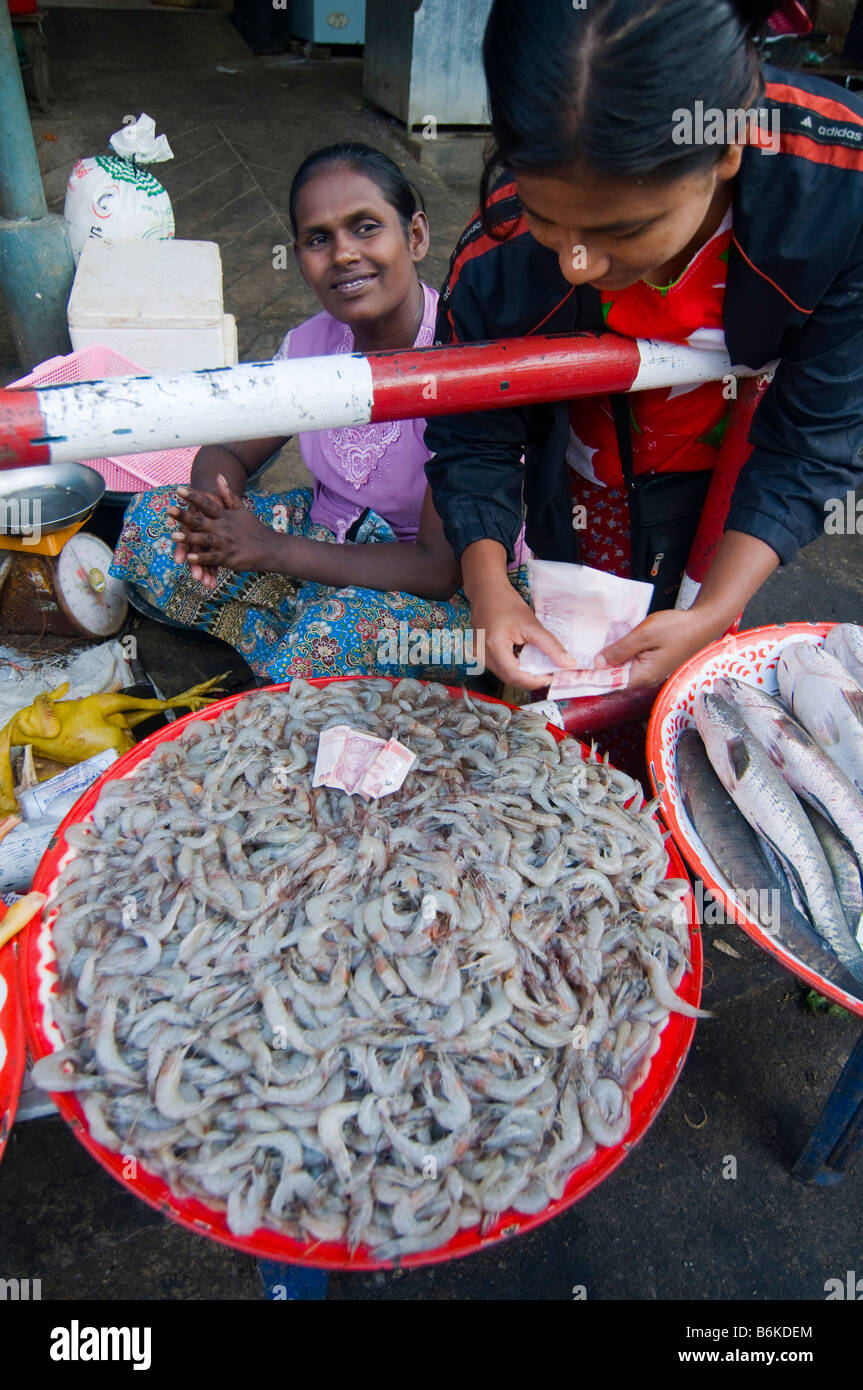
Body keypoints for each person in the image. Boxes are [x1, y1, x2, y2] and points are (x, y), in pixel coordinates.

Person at [424, 0, 863, 694]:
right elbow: (472, 432)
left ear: (725, 150)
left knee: (687, 652)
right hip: (577, 477)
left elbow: (813, 439)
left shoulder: (839, 194)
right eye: (543, 214)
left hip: (724, 477)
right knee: (577, 651)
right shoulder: (496, 255)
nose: (575, 263)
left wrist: (714, 612)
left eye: (623, 230)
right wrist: (486, 584)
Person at [111, 144, 519, 683]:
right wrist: (215, 517)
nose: (344, 254)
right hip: (321, 546)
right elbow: (231, 446)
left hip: (443, 596)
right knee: (153, 523)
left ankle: (298, 645)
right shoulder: (310, 346)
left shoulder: (457, 351)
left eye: (366, 227)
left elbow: (435, 569)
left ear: (415, 236)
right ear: (300, 258)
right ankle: (293, 647)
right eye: (319, 239)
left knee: (338, 633)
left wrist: (270, 549)